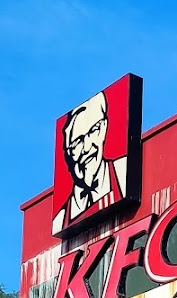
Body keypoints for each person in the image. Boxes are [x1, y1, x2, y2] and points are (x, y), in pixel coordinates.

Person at [52, 90, 128, 234]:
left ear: (104, 127)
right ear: (68, 153)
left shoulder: (125, 173)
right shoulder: (59, 220)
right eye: (77, 142)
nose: (87, 147)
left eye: (94, 130)